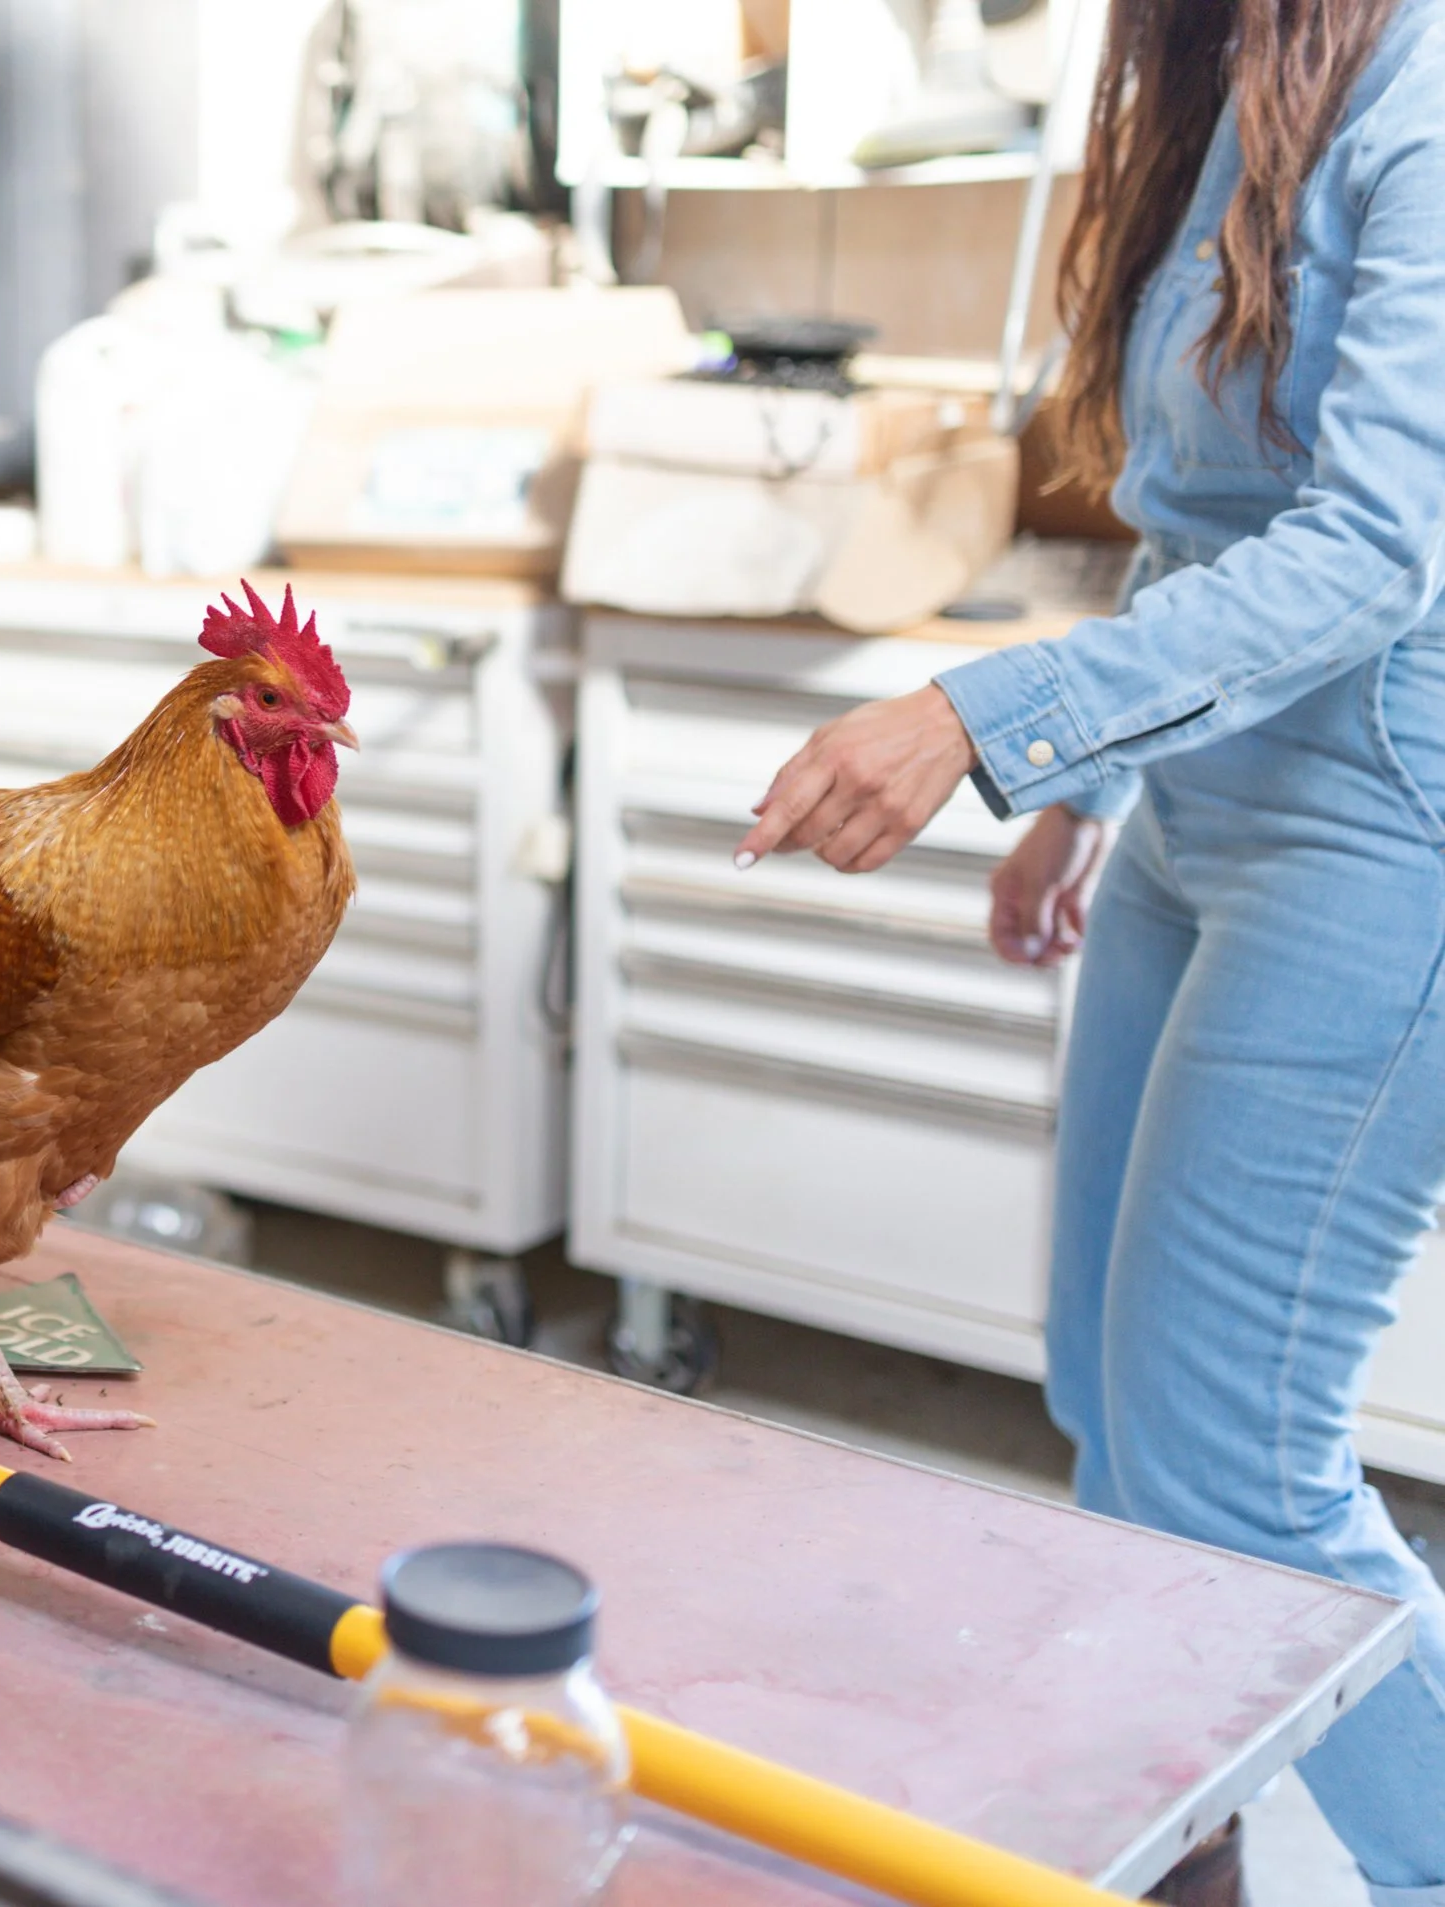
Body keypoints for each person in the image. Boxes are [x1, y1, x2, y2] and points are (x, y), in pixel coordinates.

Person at [735, 0, 1445, 1898]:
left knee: (1237, 1464)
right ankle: (1169, 1861)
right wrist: (1086, 791)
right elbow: (1212, 513)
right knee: (1111, 1408)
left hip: (1385, 814)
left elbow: (1382, 545)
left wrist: (989, 719)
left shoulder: (1428, 83)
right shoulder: (1228, 72)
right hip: (1203, 792)